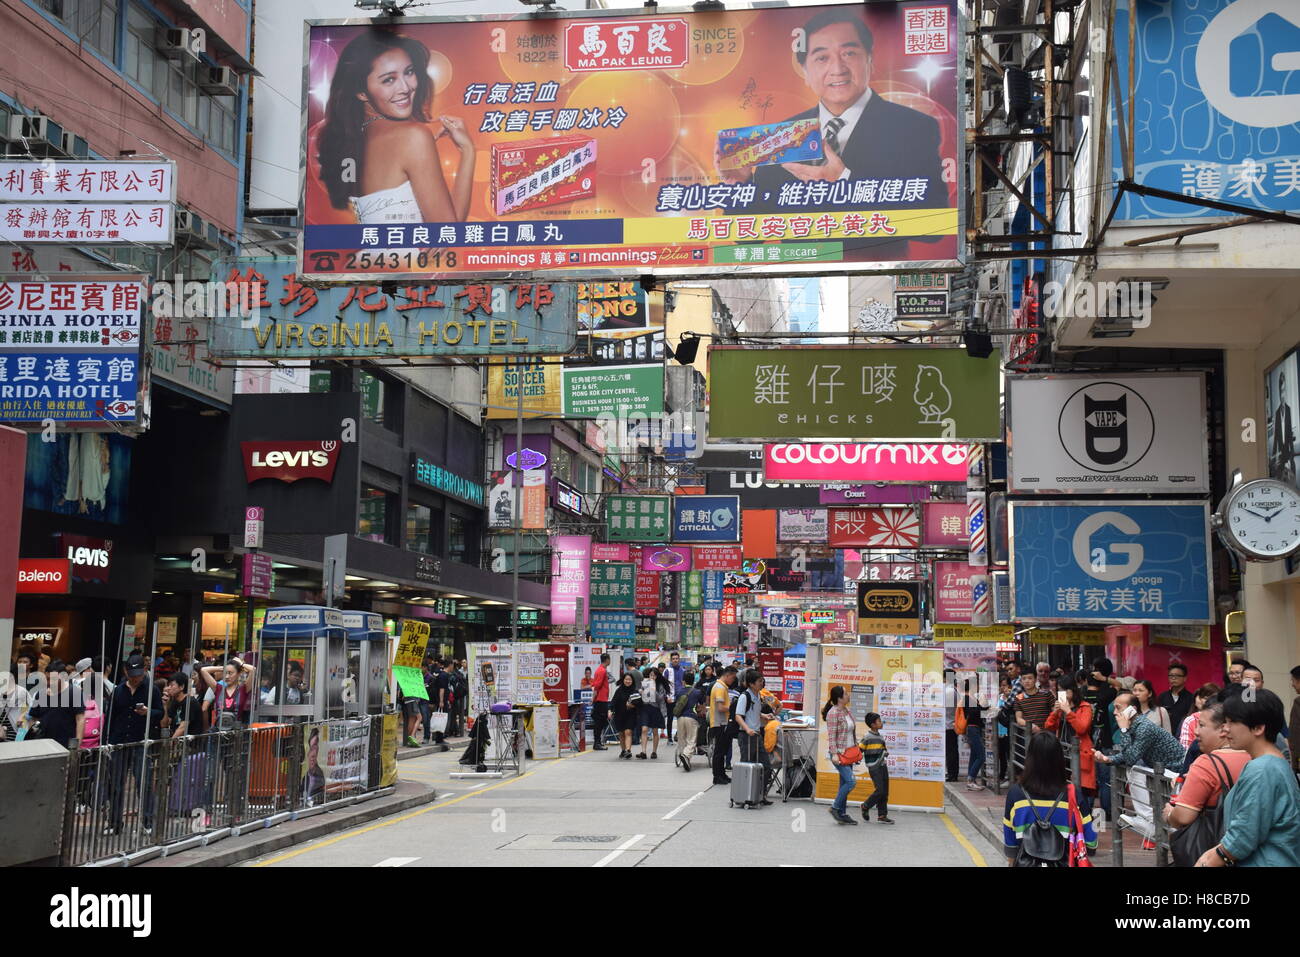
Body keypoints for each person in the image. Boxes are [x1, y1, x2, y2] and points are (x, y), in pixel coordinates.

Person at [725, 10, 946, 223]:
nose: (838, 69)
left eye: (849, 53)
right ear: (805, 72)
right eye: (822, 58)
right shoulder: (782, 135)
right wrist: (743, 183)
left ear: (869, 59)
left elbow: (933, 225)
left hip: (876, 260)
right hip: (802, 260)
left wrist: (844, 182)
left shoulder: (914, 127)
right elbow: (751, 236)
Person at [317, 30, 474, 223]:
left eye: (409, 72)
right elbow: (447, 231)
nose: (405, 88)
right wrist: (467, 150)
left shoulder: (352, 139)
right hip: (405, 254)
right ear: (361, 92)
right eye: (389, 79)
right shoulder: (412, 137)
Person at [1196, 689, 1300, 867]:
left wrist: (1212, 860)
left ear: (1258, 728)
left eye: (1232, 722)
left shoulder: (1263, 769)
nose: (1225, 729)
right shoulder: (1272, 763)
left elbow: (1243, 835)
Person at [1003, 731, 1097, 866]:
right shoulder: (1072, 794)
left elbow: (1010, 844)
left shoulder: (1016, 794)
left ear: (1030, 758)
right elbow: (1091, 842)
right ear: (1060, 759)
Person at [1165, 696, 1250, 831]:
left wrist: (1169, 814)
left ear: (1223, 729)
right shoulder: (1251, 756)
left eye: (1202, 725)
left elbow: (1182, 817)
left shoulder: (1206, 764)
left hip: (1213, 845)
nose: (1196, 731)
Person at [105, 654, 163, 835]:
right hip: (119, 742)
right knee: (115, 784)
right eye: (132, 675)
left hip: (140, 741)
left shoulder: (151, 689)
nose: (136, 678)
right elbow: (110, 718)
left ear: (144, 671)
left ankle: (147, 821)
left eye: (139, 674)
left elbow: (160, 713)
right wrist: (106, 743)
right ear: (125, 671)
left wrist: (148, 712)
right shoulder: (118, 690)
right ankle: (114, 822)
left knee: (143, 782)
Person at [1095, 692, 1186, 771]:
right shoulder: (1134, 725)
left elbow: (1130, 758)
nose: (1114, 712)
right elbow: (1130, 753)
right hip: (1165, 771)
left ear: (1132, 710)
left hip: (1177, 770)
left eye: (1118, 708)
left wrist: (1123, 729)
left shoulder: (1144, 727)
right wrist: (1107, 759)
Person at [1045, 673, 1096, 811]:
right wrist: (1055, 712)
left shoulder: (1085, 707)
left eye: (1066, 690)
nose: (1064, 693)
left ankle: (1084, 820)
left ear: (1073, 690)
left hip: (1080, 753)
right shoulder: (1061, 708)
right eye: (1060, 690)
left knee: (1081, 791)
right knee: (1063, 789)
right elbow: (1049, 726)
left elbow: (1082, 728)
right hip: (1063, 752)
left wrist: (1068, 711)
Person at [824, 686, 859, 825]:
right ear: (839, 698)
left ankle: (842, 813)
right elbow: (831, 736)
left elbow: (851, 732)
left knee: (844, 782)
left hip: (849, 753)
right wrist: (834, 754)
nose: (848, 695)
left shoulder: (847, 711)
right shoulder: (833, 713)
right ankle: (835, 807)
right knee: (851, 782)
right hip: (839, 754)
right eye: (845, 693)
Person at [29, 665, 84, 749]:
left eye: (52, 679)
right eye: (47, 679)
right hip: (42, 743)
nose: (49, 682)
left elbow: (80, 719)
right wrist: (32, 739)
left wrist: (76, 745)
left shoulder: (74, 692)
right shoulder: (40, 694)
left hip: (65, 744)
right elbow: (33, 719)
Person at [200, 657, 255, 731]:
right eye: (225, 673)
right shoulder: (218, 688)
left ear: (238, 673)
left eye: (230, 673)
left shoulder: (243, 689)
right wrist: (224, 667)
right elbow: (203, 670)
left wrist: (240, 664)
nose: (227, 676)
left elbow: (253, 670)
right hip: (218, 733)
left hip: (236, 733)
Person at [859, 711, 893, 824]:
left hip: (883, 766)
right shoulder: (867, 737)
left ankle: (882, 815)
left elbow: (883, 750)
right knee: (880, 790)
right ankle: (865, 806)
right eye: (879, 721)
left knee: (885, 791)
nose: (881, 722)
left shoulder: (881, 737)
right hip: (874, 767)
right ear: (873, 724)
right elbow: (860, 750)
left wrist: (885, 753)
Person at [710, 667, 738, 785]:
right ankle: (717, 776)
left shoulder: (722, 687)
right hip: (719, 723)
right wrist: (733, 707)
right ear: (727, 675)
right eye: (732, 677)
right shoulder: (720, 688)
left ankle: (722, 774)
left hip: (722, 722)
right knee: (719, 751)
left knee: (723, 750)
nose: (733, 680)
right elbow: (721, 708)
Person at [960, 678, 986, 792]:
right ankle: (971, 780)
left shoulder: (971, 698)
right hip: (972, 729)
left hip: (975, 728)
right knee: (981, 756)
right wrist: (982, 707)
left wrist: (984, 706)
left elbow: (977, 710)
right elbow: (972, 712)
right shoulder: (966, 698)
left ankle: (971, 780)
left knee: (974, 755)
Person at [675, 679, 707, 772]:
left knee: (681, 738)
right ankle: (686, 755)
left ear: (683, 681)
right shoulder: (697, 692)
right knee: (691, 739)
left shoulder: (679, 691)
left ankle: (684, 755)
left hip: (680, 717)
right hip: (692, 717)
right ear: (693, 681)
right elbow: (702, 705)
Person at [1179, 684, 1221, 752]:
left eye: (1213, 698)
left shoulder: (1226, 718)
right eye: (1206, 698)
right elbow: (1185, 751)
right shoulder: (1191, 720)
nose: (1196, 732)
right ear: (1200, 699)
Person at [637, 667, 668, 759]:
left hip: (656, 709)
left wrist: (654, 690)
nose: (652, 677)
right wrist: (641, 691)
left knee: (655, 731)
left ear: (657, 676)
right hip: (645, 708)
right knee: (644, 729)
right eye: (651, 675)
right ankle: (643, 751)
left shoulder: (660, 686)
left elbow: (661, 699)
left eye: (654, 675)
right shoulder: (645, 683)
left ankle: (654, 751)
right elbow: (640, 693)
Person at [162, 673, 203, 739]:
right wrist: (165, 705)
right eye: (168, 685)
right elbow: (164, 724)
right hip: (178, 743)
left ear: (182, 687)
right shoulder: (175, 702)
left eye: (172, 685)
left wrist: (171, 742)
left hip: (189, 745)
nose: (168, 688)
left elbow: (183, 727)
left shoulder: (190, 703)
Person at [609, 673, 639, 760]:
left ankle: (628, 750)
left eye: (630, 679)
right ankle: (623, 750)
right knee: (621, 734)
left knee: (628, 732)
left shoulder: (635, 691)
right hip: (619, 715)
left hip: (631, 715)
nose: (628, 681)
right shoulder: (619, 690)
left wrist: (632, 706)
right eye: (626, 679)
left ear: (632, 681)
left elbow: (639, 704)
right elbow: (613, 702)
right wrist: (610, 710)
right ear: (623, 680)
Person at [1159, 663, 1194, 732]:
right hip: (1165, 736)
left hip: (1183, 735)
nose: (1173, 678)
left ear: (1185, 678)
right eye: (1171, 675)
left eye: (1177, 675)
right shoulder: (1162, 697)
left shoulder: (1191, 698)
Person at [590, 653, 611, 751]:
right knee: (600, 722)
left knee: (600, 721)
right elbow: (596, 686)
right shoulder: (602, 671)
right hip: (601, 700)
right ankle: (597, 743)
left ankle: (597, 742)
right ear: (607, 660)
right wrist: (592, 698)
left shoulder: (600, 670)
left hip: (601, 699)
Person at [302, 726, 326, 806]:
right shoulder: (304, 776)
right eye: (311, 748)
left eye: (315, 746)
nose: (312, 754)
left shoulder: (321, 775)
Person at [666, 651, 685, 742]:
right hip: (670, 698)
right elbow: (664, 684)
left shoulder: (683, 670)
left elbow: (685, 684)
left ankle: (679, 735)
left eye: (677, 658)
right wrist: (667, 696)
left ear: (679, 659)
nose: (675, 660)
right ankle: (669, 737)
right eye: (673, 659)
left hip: (681, 698)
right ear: (671, 660)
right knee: (670, 718)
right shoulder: (667, 670)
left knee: (681, 718)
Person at [1290, 666, 1300, 776]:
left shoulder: (1298, 703)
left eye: (1293, 680)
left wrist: (1295, 765)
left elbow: (1296, 734)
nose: (1292, 684)